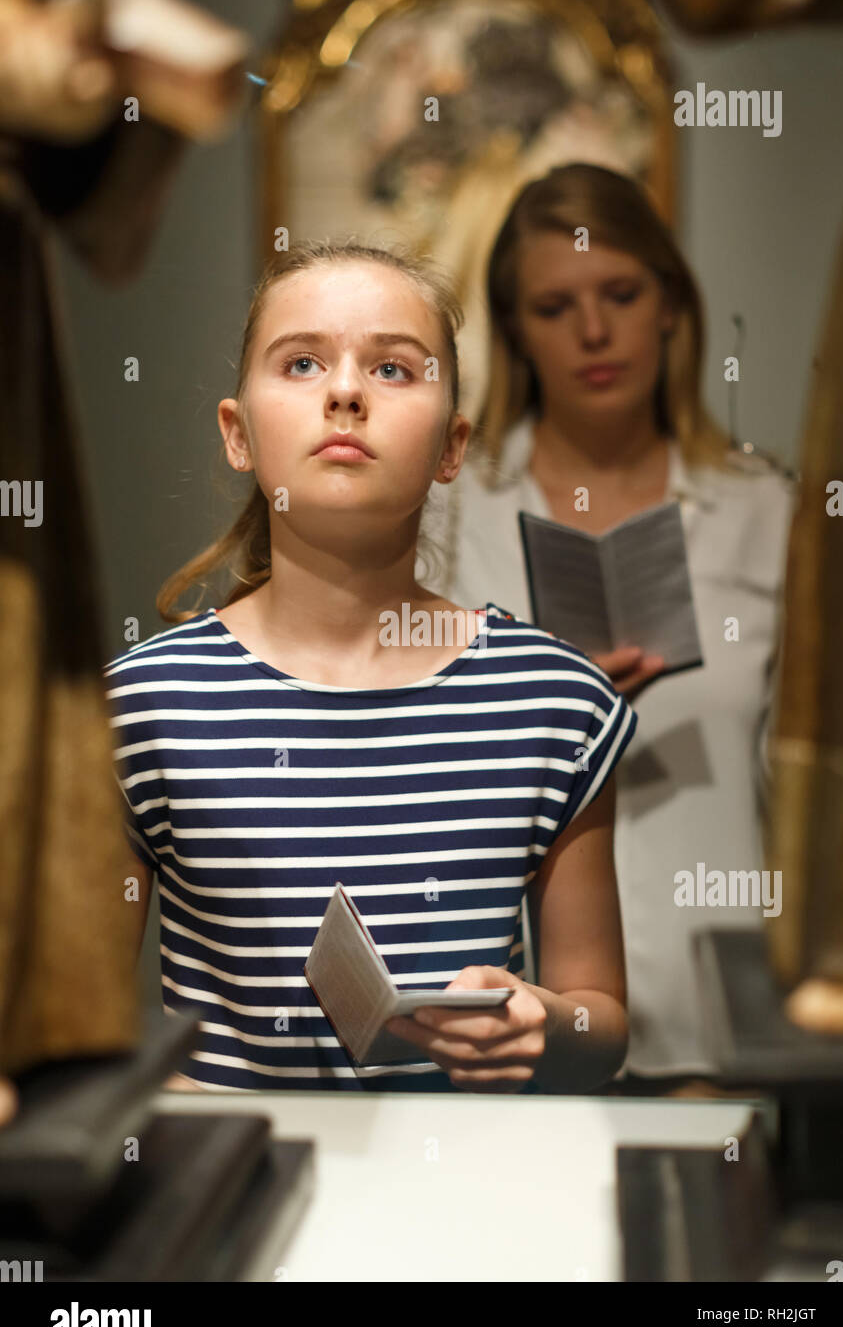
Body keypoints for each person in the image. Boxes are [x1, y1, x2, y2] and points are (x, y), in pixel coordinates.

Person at [103, 239, 637, 1094]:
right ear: (238, 436)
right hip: (231, 1201)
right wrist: (168, 1096)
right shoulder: (144, 706)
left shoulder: (555, 702)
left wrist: (541, 1020)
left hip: (467, 1199)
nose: (346, 392)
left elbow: (600, 1017)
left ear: (451, 447)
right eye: (304, 362)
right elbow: (75, 1028)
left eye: (393, 370)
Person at [421, 164, 796, 1092]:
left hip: (722, 1012)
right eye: (555, 307)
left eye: (620, 295)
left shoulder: (767, 509)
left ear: (670, 304)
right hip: (511, 1012)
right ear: (514, 328)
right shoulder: (449, 509)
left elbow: (807, 780)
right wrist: (548, 708)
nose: (594, 332)